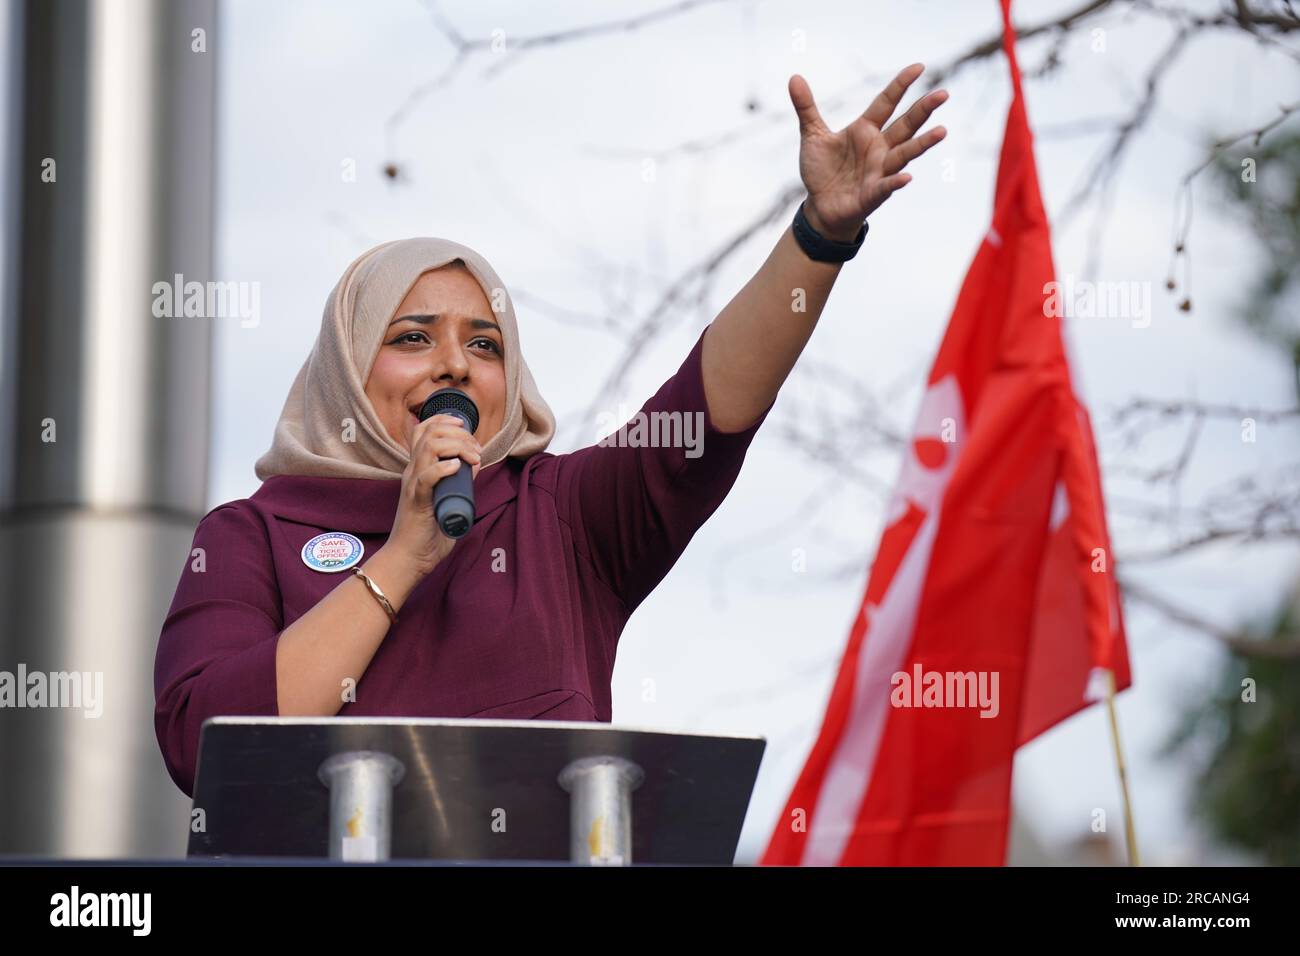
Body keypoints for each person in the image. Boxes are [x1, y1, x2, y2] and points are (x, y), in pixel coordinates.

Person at [153, 65, 948, 797]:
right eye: (412, 338)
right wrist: (404, 557)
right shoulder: (246, 536)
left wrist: (821, 235)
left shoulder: (561, 517)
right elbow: (208, 747)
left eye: (485, 345)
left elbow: (708, 410)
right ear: (346, 371)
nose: (456, 366)